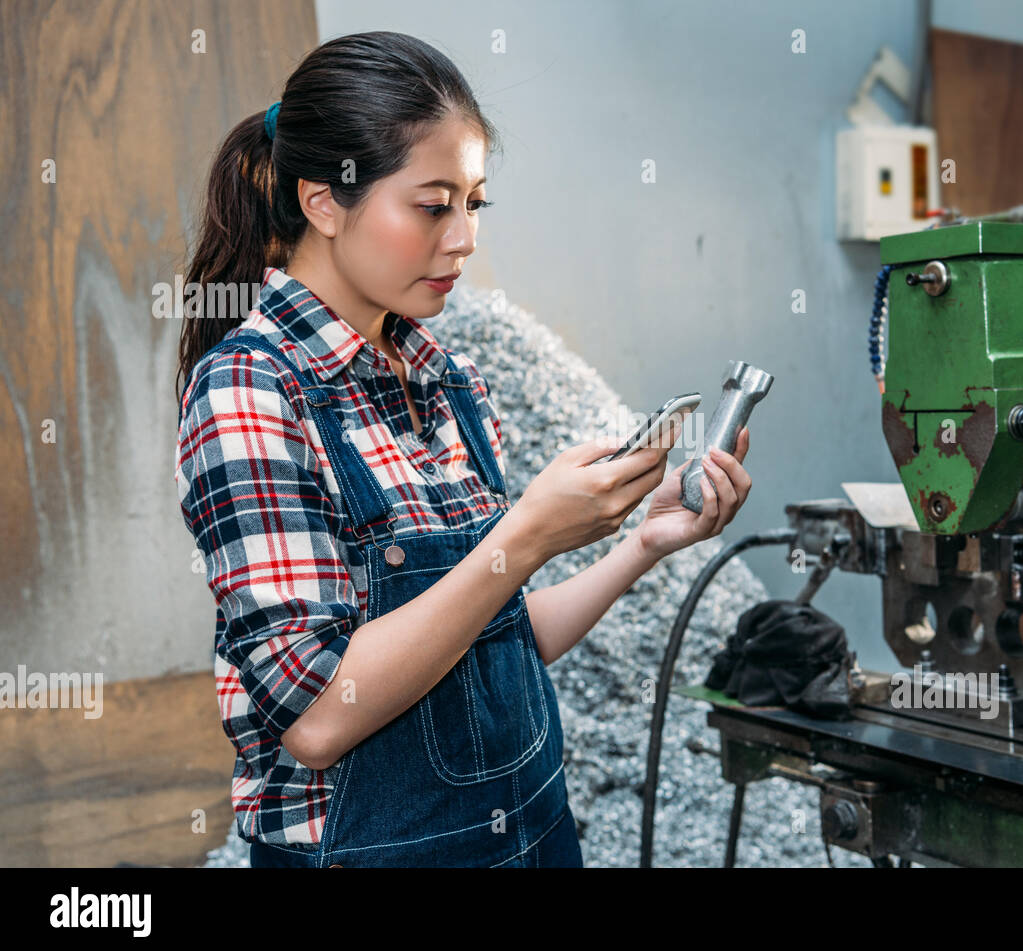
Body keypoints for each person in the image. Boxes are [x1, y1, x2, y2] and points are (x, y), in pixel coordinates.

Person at [173, 31, 752, 867]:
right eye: (433, 204)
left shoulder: (450, 382)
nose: (464, 238)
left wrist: (642, 543)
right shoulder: (251, 391)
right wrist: (524, 536)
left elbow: (504, 635)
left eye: (475, 203)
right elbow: (318, 716)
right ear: (324, 202)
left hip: (534, 832)